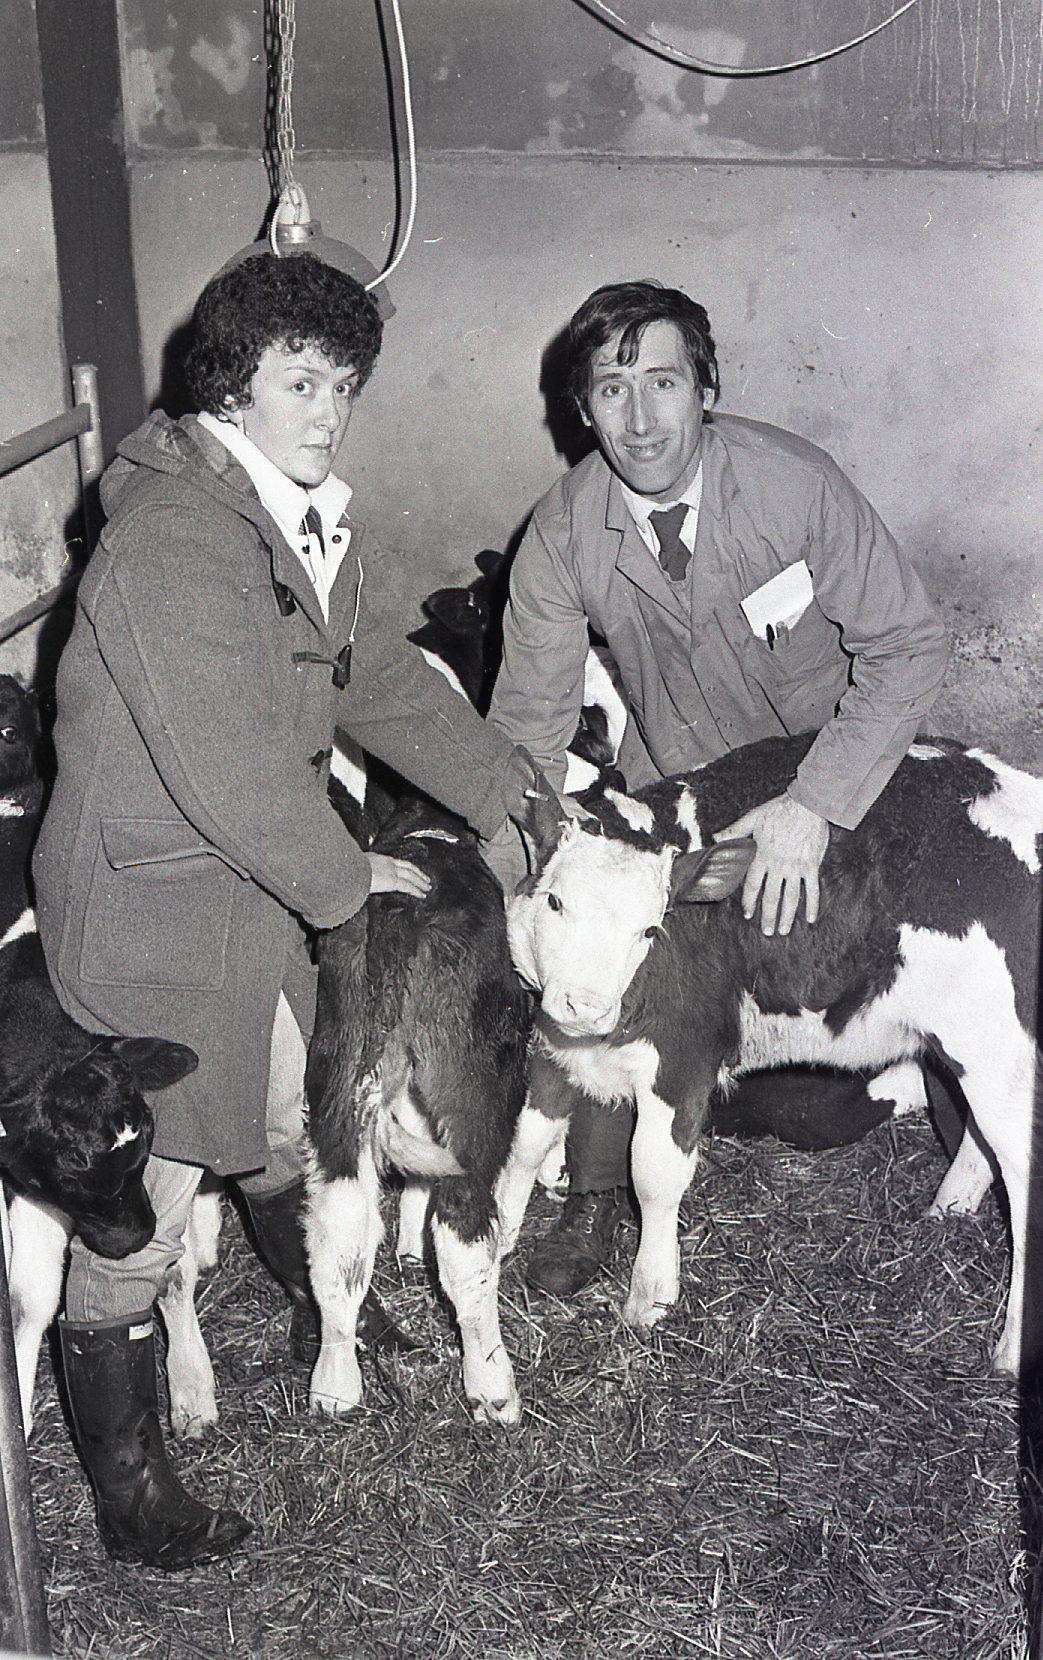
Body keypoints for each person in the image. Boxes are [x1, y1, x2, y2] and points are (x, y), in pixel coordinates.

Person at [31, 251, 541, 1571]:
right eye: (298, 381)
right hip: (153, 914)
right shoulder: (173, 541)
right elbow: (222, 767)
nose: (327, 411)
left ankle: (334, 1306)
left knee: (277, 1125)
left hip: (250, 898)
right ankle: (136, 1497)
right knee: (139, 1200)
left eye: (344, 385)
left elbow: (365, 666)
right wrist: (346, 878)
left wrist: (494, 785)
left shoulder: (298, 518)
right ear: (228, 387)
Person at [486, 278, 949, 1300]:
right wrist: (539, 858)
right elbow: (523, 730)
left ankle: (956, 1106)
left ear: (706, 387)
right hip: (684, 799)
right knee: (624, 969)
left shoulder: (793, 486)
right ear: (580, 409)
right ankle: (596, 1194)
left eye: (662, 381)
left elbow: (910, 645)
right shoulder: (561, 531)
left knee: (846, 1071)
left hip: (826, 786)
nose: (639, 418)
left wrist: (814, 802)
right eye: (611, 390)